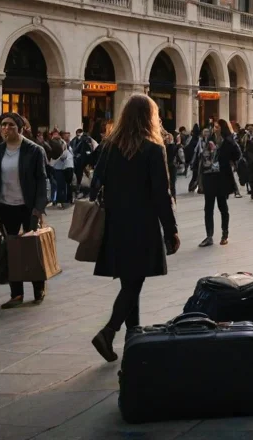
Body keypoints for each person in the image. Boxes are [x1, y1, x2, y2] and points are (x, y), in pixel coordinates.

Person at [89, 94, 180, 362]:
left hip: (116, 223)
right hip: (142, 225)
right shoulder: (153, 148)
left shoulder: (109, 146)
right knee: (133, 282)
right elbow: (161, 194)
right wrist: (171, 229)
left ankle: (133, 336)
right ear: (149, 117)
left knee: (132, 281)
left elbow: (96, 182)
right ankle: (108, 332)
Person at [0, 113, 49, 308]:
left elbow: (41, 180)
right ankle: (16, 293)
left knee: (31, 249)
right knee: (11, 251)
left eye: (11, 125)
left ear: (20, 128)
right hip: (6, 206)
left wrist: (38, 208)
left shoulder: (33, 150)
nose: (6, 128)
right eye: (3, 125)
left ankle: (39, 289)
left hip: (27, 208)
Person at [198, 119, 241, 247]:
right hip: (209, 176)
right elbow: (203, 156)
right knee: (208, 208)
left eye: (217, 127)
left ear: (222, 128)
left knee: (222, 206)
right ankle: (209, 236)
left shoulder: (228, 141)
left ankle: (225, 234)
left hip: (221, 178)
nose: (215, 129)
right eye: (214, 127)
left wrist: (227, 159)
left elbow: (237, 155)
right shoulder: (209, 139)